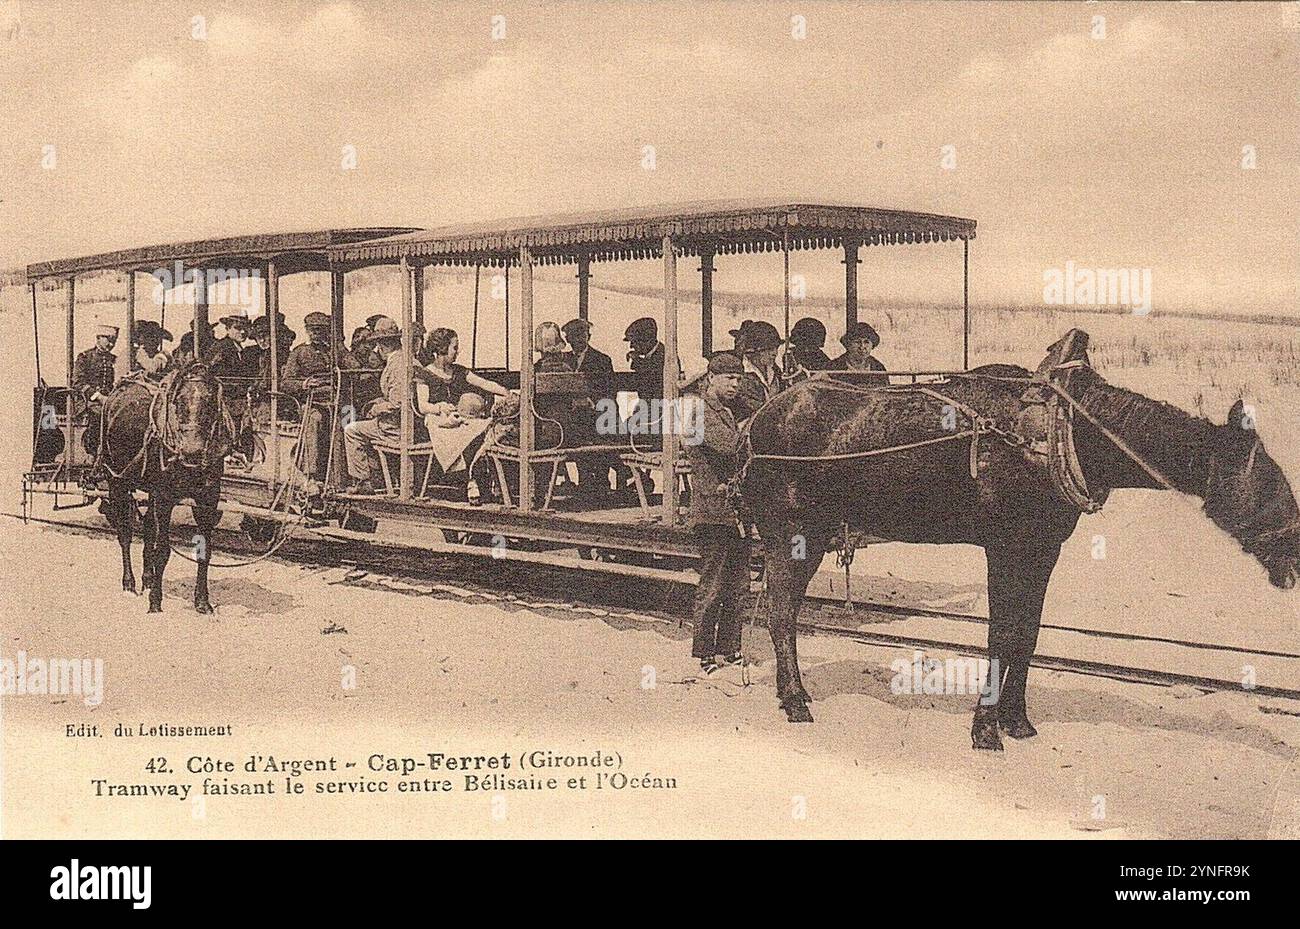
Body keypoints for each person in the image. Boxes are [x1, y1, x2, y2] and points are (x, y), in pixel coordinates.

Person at [684, 352, 750, 674]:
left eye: (738, 379)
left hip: (734, 511)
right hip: (712, 509)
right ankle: (704, 654)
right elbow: (730, 446)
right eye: (729, 379)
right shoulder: (699, 412)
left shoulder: (725, 410)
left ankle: (730, 648)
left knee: (738, 583)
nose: (736, 384)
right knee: (712, 584)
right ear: (712, 378)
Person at [281, 311, 358, 482]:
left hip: (337, 400)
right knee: (314, 420)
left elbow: (355, 367)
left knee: (349, 420)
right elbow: (285, 383)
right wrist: (304, 384)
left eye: (321, 330)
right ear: (307, 330)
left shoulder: (335, 350)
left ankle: (345, 476)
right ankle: (311, 474)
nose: (317, 334)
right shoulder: (299, 352)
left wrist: (338, 347)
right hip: (312, 401)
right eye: (313, 330)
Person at [342, 317, 410, 494]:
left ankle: (362, 481)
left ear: (382, 345)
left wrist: (375, 409)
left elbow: (398, 404)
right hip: (408, 425)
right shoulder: (408, 359)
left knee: (350, 429)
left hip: (394, 429)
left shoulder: (396, 365)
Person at [561, 318, 616, 494]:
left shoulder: (602, 360)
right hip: (574, 417)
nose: (577, 339)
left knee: (598, 430)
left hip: (596, 414)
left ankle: (601, 480)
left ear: (588, 336)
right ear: (567, 340)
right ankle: (584, 480)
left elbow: (609, 392)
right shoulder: (564, 360)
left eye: (581, 335)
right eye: (572, 336)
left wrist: (592, 402)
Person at [72, 324, 119, 455]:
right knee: (100, 415)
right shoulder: (85, 357)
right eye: (108, 340)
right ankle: (94, 452)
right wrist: (98, 397)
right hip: (87, 401)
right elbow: (78, 383)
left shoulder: (114, 360)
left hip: (109, 400)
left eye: (113, 341)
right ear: (98, 338)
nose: (111, 344)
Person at [734, 320, 785, 420]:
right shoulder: (740, 374)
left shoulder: (775, 371)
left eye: (776, 348)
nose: (775, 353)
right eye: (769, 349)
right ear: (752, 351)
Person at [204, 315, 260, 380]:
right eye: (238, 328)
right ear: (227, 329)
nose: (243, 332)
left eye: (245, 328)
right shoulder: (221, 347)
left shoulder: (238, 348)